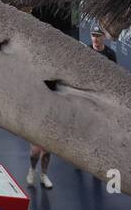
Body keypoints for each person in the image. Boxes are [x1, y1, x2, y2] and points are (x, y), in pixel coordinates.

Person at [25, 23, 117, 189]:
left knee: (49, 148)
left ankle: (44, 174)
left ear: (103, 37)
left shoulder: (110, 54)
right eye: (93, 35)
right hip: (51, 105)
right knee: (35, 149)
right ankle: (32, 169)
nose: (95, 38)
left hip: (94, 101)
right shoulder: (84, 52)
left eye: (98, 35)